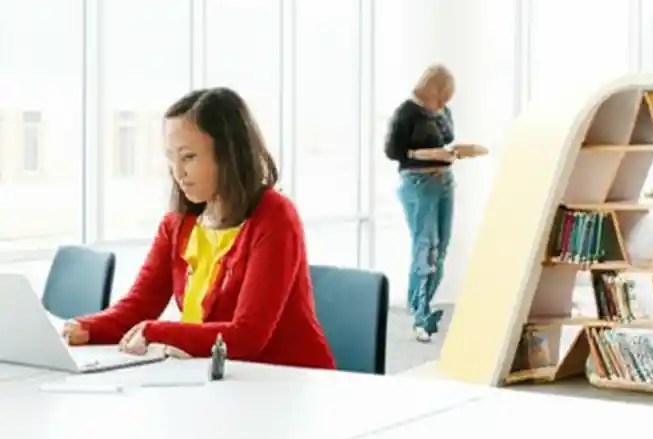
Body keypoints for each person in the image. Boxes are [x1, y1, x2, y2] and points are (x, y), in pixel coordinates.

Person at [62, 87, 336, 370]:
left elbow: (247, 337)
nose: (177, 172)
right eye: (171, 158)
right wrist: (84, 328)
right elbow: (138, 307)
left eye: (188, 157)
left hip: (291, 382)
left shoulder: (275, 217)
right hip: (223, 381)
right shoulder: (177, 224)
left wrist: (155, 331)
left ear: (227, 154)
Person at [384, 64, 487, 342]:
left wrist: (458, 152)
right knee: (425, 247)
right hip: (418, 184)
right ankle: (419, 313)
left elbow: (448, 142)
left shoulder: (443, 112)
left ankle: (423, 306)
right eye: (443, 94)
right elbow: (394, 151)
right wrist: (425, 153)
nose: (446, 102)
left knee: (440, 249)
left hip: (444, 181)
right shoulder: (406, 113)